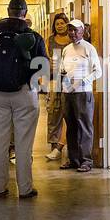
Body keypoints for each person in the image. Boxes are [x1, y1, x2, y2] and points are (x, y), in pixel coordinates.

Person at [0, 0, 48, 199]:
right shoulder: (33, 36)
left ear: (8, 11)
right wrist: (33, 82)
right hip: (24, 93)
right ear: (25, 13)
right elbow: (43, 67)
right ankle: (25, 188)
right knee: (23, 143)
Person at [59, 18, 102, 173]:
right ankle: (73, 159)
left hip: (83, 93)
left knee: (84, 126)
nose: (72, 33)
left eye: (76, 30)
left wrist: (83, 81)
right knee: (71, 126)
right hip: (67, 92)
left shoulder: (89, 48)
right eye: (70, 30)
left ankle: (86, 161)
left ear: (82, 31)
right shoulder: (66, 49)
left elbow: (98, 71)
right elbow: (63, 69)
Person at [43, 12, 71, 160]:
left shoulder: (72, 40)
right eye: (57, 23)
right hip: (54, 80)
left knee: (69, 112)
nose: (60, 26)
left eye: (62, 23)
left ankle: (67, 144)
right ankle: (54, 145)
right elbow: (45, 60)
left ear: (67, 23)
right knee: (54, 112)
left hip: (71, 81)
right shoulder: (50, 40)